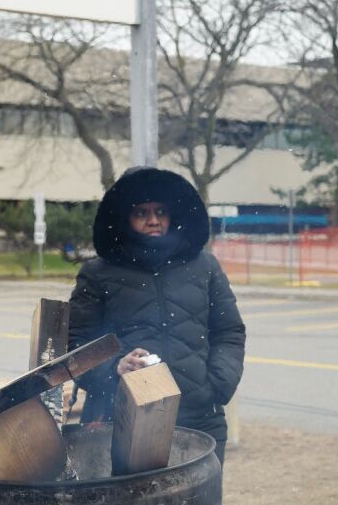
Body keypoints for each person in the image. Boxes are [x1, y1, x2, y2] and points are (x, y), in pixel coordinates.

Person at [67, 167, 246, 464]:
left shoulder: (205, 267)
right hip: (121, 416)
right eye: (141, 212)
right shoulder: (98, 273)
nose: (153, 220)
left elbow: (229, 332)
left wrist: (216, 385)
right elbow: (77, 344)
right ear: (124, 217)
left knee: (198, 495)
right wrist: (114, 368)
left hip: (199, 417)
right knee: (128, 495)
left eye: (160, 211)